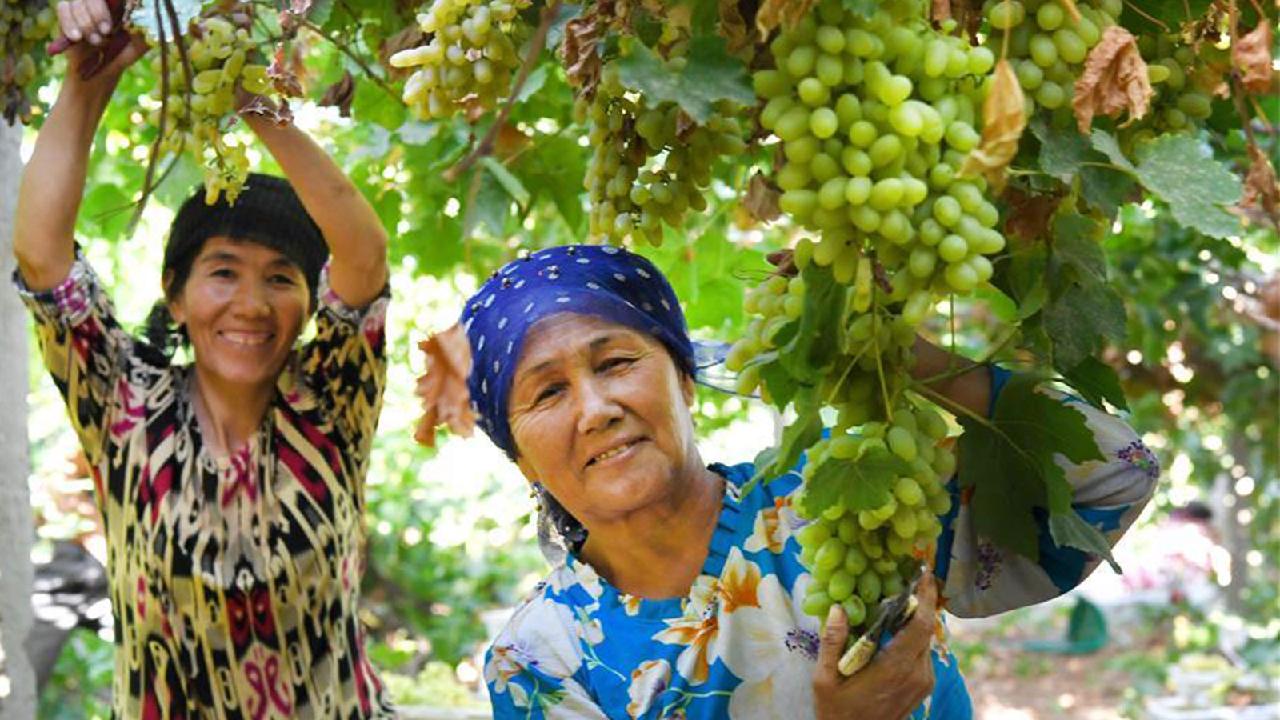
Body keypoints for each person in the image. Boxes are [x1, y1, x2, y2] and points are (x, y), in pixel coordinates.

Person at [441, 244, 1159, 719]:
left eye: (615, 363)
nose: (597, 409)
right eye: (548, 393)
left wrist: (902, 354)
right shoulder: (541, 660)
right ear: (520, 457)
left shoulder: (839, 497)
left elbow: (1112, 476)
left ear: (685, 381)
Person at [13, 2, 394, 716]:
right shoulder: (122, 404)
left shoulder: (333, 404)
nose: (251, 304)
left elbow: (365, 254)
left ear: (310, 301)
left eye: (280, 278)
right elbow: (41, 257)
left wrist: (251, 99)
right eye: (223, 272)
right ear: (176, 295)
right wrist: (85, 86)